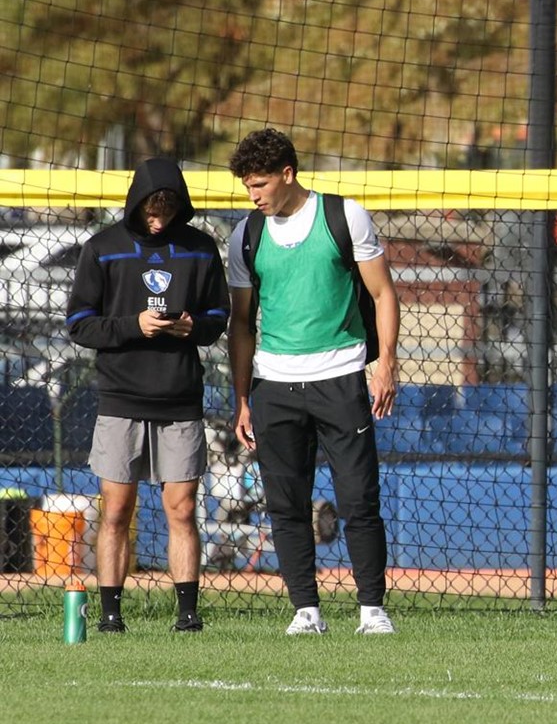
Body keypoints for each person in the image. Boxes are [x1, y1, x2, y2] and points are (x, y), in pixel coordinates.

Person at [225, 128, 400, 635]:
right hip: (273, 386)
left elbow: (383, 294)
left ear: (288, 174)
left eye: (259, 184)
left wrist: (384, 362)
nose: (253, 195)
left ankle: (372, 610)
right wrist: (242, 397)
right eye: (246, 187)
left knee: (358, 498)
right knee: (286, 503)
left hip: (341, 379)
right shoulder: (246, 235)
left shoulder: (345, 216)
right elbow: (241, 323)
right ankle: (306, 610)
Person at [64, 158, 230, 633]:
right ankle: (111, 615)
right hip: (120, 397)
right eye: (151, 212)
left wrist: (192, 326)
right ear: (136, 204)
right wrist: (132, 326)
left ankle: (188, 615)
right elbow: (79, 324)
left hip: (180, 399)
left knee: (181, 508)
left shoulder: (199, 249)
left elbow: (218, 317)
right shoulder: (103, 248)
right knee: (115, 508)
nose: (158, 221)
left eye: (167, 212)